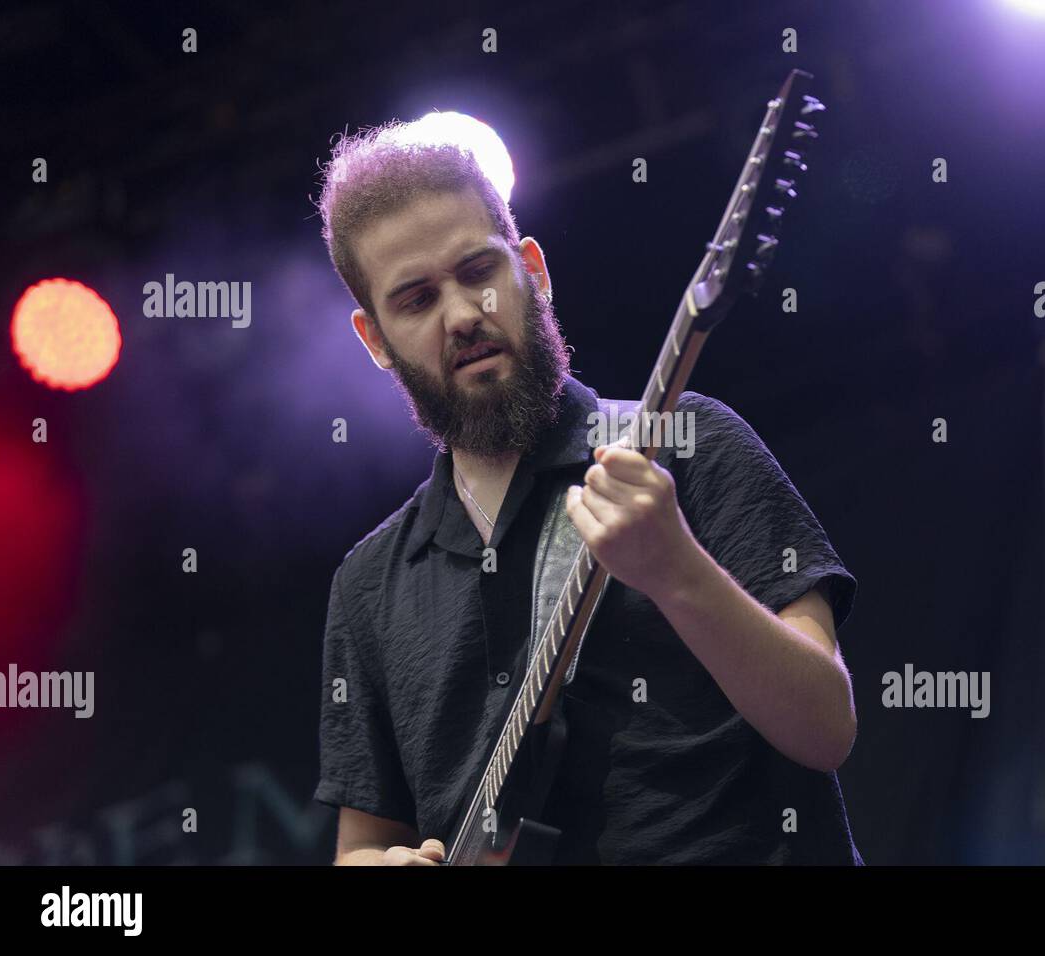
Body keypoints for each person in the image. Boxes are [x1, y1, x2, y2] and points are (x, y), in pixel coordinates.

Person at [312, 115, 863, 864]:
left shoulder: (685, 443)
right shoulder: (368, 585)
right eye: (415, 300)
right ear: (374, 339)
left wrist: (677, 572)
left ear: (531, 271)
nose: (464, 315)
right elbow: (363, 844)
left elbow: (825, 725)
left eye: (479, 271)